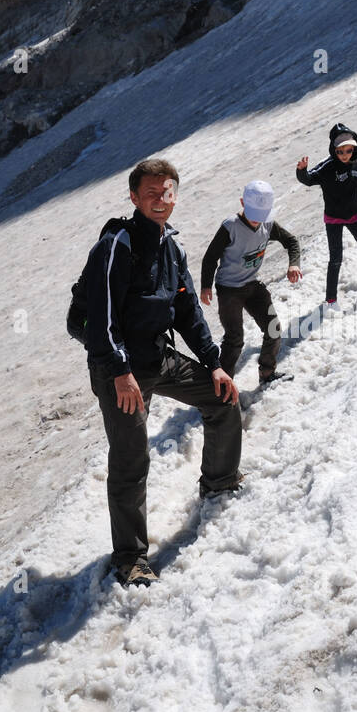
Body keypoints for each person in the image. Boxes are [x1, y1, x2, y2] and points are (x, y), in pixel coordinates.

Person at [85, 159, 242, 586]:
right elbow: (102, 316)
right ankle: (129, 557)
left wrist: (214, 364)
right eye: (151, 192)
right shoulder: (118, 243)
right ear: (134, 197)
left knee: (223, 398)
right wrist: (120, 371)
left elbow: (189, 312)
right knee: (131, 461)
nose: (160, 199)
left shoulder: (172, 247)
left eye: (167, 191)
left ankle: (220, 482)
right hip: (119, 370)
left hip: (157, 358)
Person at [200, 181, 302, 385]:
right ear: (242, 203)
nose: (257, 220)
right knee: (234, 340)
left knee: (273, 329)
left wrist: (294, 264)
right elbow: (210, 258)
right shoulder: (230, 226)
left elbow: (291, 242)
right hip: (229, 290)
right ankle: (220, 390)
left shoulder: (268, 223)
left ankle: (267, 373)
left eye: (261, 215)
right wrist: (205, 286)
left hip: (252, 285)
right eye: (253, 214)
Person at [296, 124, 357, 305]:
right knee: (335, 259)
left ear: (354, 148)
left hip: (354, 215)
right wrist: (301, 171)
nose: (345, 155)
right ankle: (331, 300)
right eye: (340, 151)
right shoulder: (327, 167)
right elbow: (308, 179)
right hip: (333, 219)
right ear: (334, 151)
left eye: (348, 150)